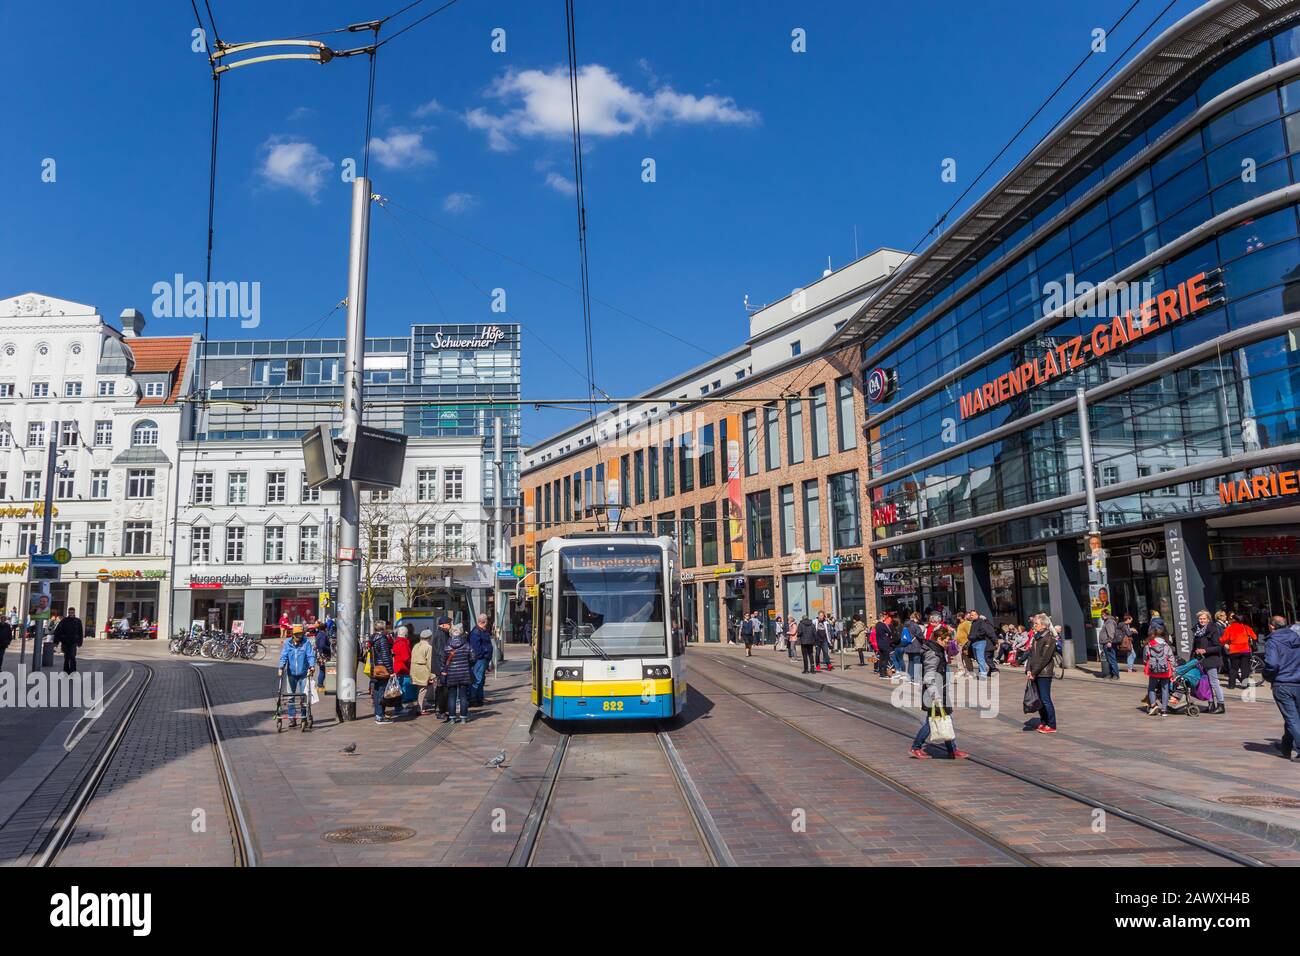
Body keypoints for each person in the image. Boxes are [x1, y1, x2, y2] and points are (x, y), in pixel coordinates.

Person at [906, 624, 969, 759]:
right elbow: (929, 677)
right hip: (934, 693)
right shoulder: (933, 653)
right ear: (939, 639)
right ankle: (916, 747)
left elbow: (954, 651)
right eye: (946, 641)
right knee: (934, 721)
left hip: (940, 690)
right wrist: (936, 696)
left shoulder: (939, 650)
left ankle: (952, 750)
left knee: (945, 719)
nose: (948, 644)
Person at [1262, 615, 1300, 762]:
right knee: (1293, 716)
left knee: (1292, 718)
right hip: (1297, 681)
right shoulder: (1296, 637)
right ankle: (1286, 746)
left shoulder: (1273, 641)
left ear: (1272, 626)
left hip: (1283, 683)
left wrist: (1267, 676)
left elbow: (1272, 664)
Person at [276, 627, 317, 728]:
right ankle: (292, 719)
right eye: (297, 635)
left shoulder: (306, 643)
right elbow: (284, 656)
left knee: (303, 696)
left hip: (303, 673)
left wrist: (312, 666)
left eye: (301, 634)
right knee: (290, 697)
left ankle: (303, 717)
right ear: (293, 635)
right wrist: (281, 667)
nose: (300, 637)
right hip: (291, 673)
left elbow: (310, 656)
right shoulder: (287, 643)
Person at [1026, 613, 1058, 733]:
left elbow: (1044, 658)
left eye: (1036, 624)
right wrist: (1028, 669)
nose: (1034, 626)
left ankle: (1052, 724)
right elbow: (1031, 655)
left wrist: (1034, 672)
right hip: (1035, 672)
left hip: (1044, 673)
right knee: (1039, 699)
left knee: (1045, 698)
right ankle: (1043, 721)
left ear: (1044, 625)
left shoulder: (1049, 638)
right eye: (1034, 623)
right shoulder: (1036, 637)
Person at [1192, 609, 1226, 714]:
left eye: (1204, 619)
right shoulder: (1197, 630)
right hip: (1201, 660)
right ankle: (1211, 704)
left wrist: (1205, 650)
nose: (1201, 621)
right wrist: (1192, 658)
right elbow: (1194, 646)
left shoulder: (1213, 629)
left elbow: (1218, 646)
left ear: (1208, 619)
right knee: (1207, 683)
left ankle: (1221, 705)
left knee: (1214, 682)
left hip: (1211, 659)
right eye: (1200, 618)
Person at [440, 626, 474, 723]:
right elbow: (473, 658)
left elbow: (442, 662)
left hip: (451, 674)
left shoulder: (447, 647)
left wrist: (444, 671)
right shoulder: (467, 645)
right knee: (463, 696)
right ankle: (463, 717)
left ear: (451, 634)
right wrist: (467, 665)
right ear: (461, 634)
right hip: (464, 673)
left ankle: (452, 718)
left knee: (452, 696)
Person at [367, 622, 396, 725]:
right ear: (383, 628)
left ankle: (379, 713)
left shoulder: (373, 638)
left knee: (377, 691)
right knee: (381, 692)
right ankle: (380, 716)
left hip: (375, 669)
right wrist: (391, 671)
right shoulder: (382, 639)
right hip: (383, 670)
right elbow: (385, 657)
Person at [1143, 623, 1175, 716]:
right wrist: (1173, 669)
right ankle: (1164, 710)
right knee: (1165, 688)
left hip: (1153, 669)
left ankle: (1153, 705)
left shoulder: (1148, 645)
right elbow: (1171, 658)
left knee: (1151, 687)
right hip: (1165, 669)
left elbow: (1145, 658)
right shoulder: (1166, 645)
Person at [1221, 612, 1256, 689]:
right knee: (1245, 668)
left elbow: (1222, 639)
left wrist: (1227, 644)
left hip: (1234, 651)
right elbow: (1255, 637)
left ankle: (1231, 685)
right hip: (1245, 650)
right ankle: (1244, 685)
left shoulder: (1229, 628)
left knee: (1234, 668)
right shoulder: (1246, 627)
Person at [469, 613, 494, 707]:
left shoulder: (482, 631)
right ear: (484, 621)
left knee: (481, 679)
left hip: (483, 659)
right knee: (477, 679)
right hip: (480, 659)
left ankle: (479, 698)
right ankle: (473, 699)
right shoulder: (476, 632)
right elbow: (476, 649)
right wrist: (485, 654)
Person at [411, 629, 436, 715]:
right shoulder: (428, 647)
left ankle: (421, 705)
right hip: (423, 670)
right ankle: (421, 708)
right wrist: (432, 675)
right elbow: (429, 662)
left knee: (419, 689)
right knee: (423, 690)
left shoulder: (416, 645)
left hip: (414, 669)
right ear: (429, 637)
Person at [431, 617, 452, 718]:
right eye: (449, 623)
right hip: (441, 667)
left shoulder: (443, 633)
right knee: (442, 689)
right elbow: (441, 653)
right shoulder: (440, 635)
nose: (450, 625)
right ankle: (440, 711)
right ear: (443, 625)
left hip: (441, 667)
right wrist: (444, 668)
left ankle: (442, 709)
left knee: (442, 689)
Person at [52, 608, 84, 674]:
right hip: (65, 641)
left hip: (73, 641)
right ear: (68, 613)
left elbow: (80, 632)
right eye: (70, 612)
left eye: (72, 612)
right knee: (66, 656)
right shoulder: (64, 621)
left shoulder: (77, 621)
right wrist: (56, 641)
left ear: (74, 613)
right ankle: (66, 670)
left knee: (72, 656)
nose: (71, 614)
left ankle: (73, 670)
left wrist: (80, 642)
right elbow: (58, 631)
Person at [968, 611, 997, 678]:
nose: (971, 616)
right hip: (974, 642)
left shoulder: (981, 621)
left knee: (981, 659)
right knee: (977, 659)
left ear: (977, 615)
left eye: (972, 615)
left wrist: (975, 636)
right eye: (971, 615)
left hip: (980, 642)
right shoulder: (973, 623)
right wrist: (970, 636)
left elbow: (984, 631)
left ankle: (983, 675)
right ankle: (982, 672)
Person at [392, 625, 414, 709]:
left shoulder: (396, 642)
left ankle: (398, 707)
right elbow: (406, 658)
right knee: (401, 690)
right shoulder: (403, 644)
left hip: (397, 668)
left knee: (398, 689)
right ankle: (399, 708)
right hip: (403, 669)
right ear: (406, 634)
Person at [1097, 609, 1121, 680]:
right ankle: (1110, 674)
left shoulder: (1109, 622)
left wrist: (1110, 641)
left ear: (1104, 614)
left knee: (1112, 659)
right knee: (1108, 660)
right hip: (1106, 643)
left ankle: (1116, 675)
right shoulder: (1107, 621)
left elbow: (1111, 632)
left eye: (1101, 614)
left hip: (1108, 643)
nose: (1101, 616)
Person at [873, 611, 895, 679]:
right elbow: (889, 632)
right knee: (886, 658)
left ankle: (881, 674)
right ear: (882, 617)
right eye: (884, 617)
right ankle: (884, 673)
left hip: (879, 643)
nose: (885, 618)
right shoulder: (883, 624)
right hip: (884, 643)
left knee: (881, 658)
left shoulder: (877, 625)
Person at [313, 626, 331, 690]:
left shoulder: (318, 634)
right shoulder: (323, 635)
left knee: (322, 669)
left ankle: (320, 684)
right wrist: (329, 648)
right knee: (323, 670)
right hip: (323, 654)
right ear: (325, 629)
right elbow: (322, 645)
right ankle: (320, 685)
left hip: (319, 654)